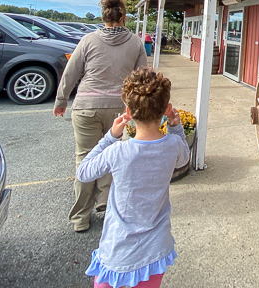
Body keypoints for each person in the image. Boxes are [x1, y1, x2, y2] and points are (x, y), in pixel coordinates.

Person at [77, 68, 189, 288]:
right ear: (166, 109)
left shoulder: (117, 152)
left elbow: (84, 171)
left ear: (127, 111)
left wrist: (110, 137)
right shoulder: (173, 146)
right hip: (156, 250)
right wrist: (176, 127)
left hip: (119, 250)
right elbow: (183, 158)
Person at [54, 0, 147, 232]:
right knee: (114, 154)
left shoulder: (88, 40)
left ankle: (80, 217)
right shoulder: (135, 43)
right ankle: (105, 200)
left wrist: (61, 100)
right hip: (120, 109)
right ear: (123, 18)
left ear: (103, 18)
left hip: (86, 106)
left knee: (85, 158)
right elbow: (143, 78)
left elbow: (71, 72)